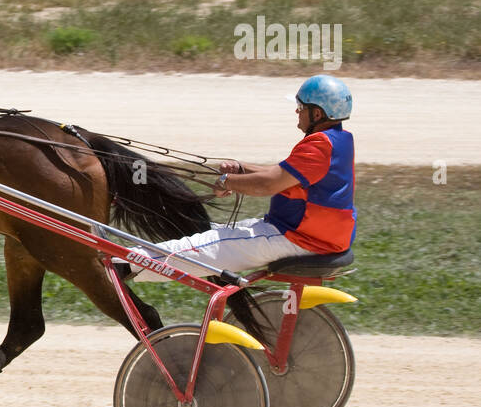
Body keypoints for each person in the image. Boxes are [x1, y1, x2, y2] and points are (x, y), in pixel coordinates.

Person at [124, 75, 356, 282]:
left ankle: (125, 263)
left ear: (317, 113)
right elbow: (279, 173)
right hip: (308, 235)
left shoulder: (319, 146)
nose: (297, 111)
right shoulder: (339, 140)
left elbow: (269, 184)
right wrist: (241, 168)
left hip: (299, 239)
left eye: (300, 106)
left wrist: (227, 181)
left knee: (199, 248)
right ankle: (131, 261)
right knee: (209, 233)